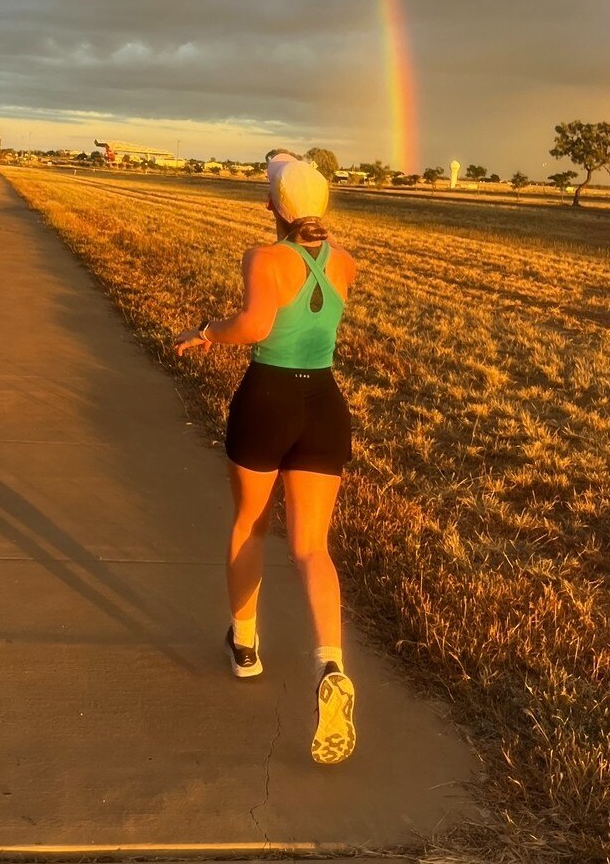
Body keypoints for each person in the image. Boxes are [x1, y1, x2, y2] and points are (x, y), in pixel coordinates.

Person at [173, 152, 357, 764]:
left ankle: (246, 646)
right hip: (324, 404)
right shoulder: (346, 264)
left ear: (271, 206)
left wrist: (206, 331)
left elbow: (254, 327)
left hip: (270, 399)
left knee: (250, 523)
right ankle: (330, 664)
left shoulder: (262, 257)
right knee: (313, 548)